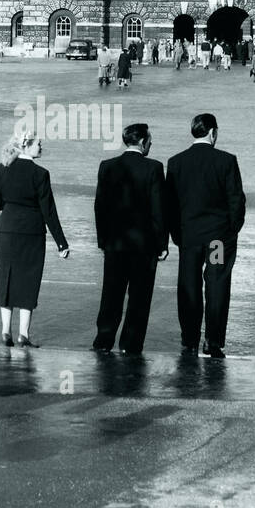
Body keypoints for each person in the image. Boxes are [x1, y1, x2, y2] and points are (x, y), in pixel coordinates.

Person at [164, 113, 247, 358]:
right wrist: (231, 230)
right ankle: (213, 341)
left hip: (189, 237)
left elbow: (170, 203)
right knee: (217, 284)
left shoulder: (176, 162)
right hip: (218, 239)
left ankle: (189, 338)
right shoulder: (226, 161)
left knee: (188, 286)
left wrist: (176, 234)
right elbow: (236, 200)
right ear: (213, 132)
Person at [0, 132, 70, 347]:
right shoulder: (40, 173)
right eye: (38, 144)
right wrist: (61, 243)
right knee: (28, 282)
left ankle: (6, 332)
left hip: (7, 232)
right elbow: (48, 211)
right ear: (27, 146)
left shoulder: (2, 168)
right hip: (32, 234)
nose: (41, 146)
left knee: (6, 279)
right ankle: (23, 334)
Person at [92, 123, 168, 354]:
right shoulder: (154, 168)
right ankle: (130, 344)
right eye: (150, 141)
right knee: (139, 297)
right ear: (143, 142)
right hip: (143, 245)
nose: (151, 144)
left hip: (115, 243)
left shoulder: (107, 166)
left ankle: (103, 340)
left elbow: (99, 207)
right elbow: (158, 208)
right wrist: (162, 243)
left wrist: (102, 240)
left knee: (111, 293)